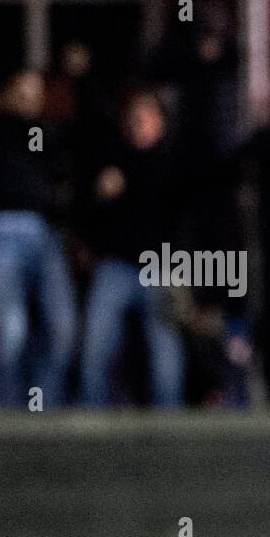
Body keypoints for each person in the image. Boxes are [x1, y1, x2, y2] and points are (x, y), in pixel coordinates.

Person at [79, 89, 187, 407]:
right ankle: (91, 427)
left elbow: (185, 217)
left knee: (166, 357)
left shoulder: (173, 162)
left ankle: (170, 437)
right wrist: (100, 198)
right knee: (95, 349)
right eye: (134, 117)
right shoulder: (111, 159)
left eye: (147, 116)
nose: (140, 123)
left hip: (160, 268)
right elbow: (88, 215)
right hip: (116, 266)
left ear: (161, 122)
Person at [0, 70, 77, 408]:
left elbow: (61, 175)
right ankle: (9, 412)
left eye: (34, 92)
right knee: (11, 330)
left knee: (62, 328)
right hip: (2, 231)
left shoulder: (44, 134)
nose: (28, 97)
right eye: (21, 90)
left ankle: (42, 408)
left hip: (45, 235)